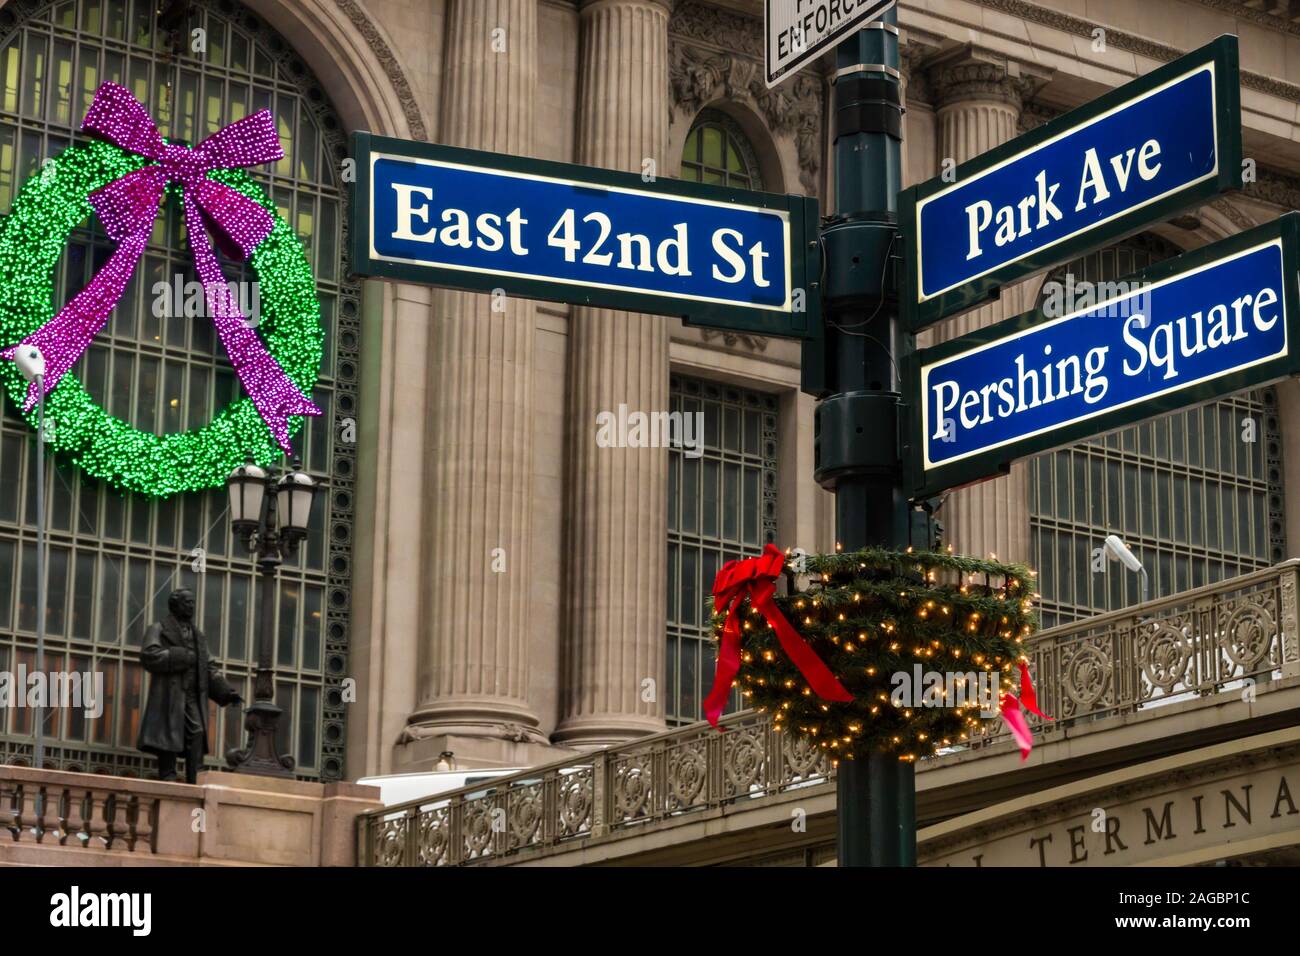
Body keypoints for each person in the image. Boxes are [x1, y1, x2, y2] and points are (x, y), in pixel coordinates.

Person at [137, 587, 242, 783]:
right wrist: (181, 656)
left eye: (193, 602)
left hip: (192, 696)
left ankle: (195, 779)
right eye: (188, 602)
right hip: (170, 695)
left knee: (198, 733)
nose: (192, 606)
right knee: (168, 736)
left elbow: (209, 666)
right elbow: (148, 655)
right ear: (175, 605)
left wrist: (226, 692)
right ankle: (167, 776)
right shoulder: (158, 628)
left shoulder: (198, 635)